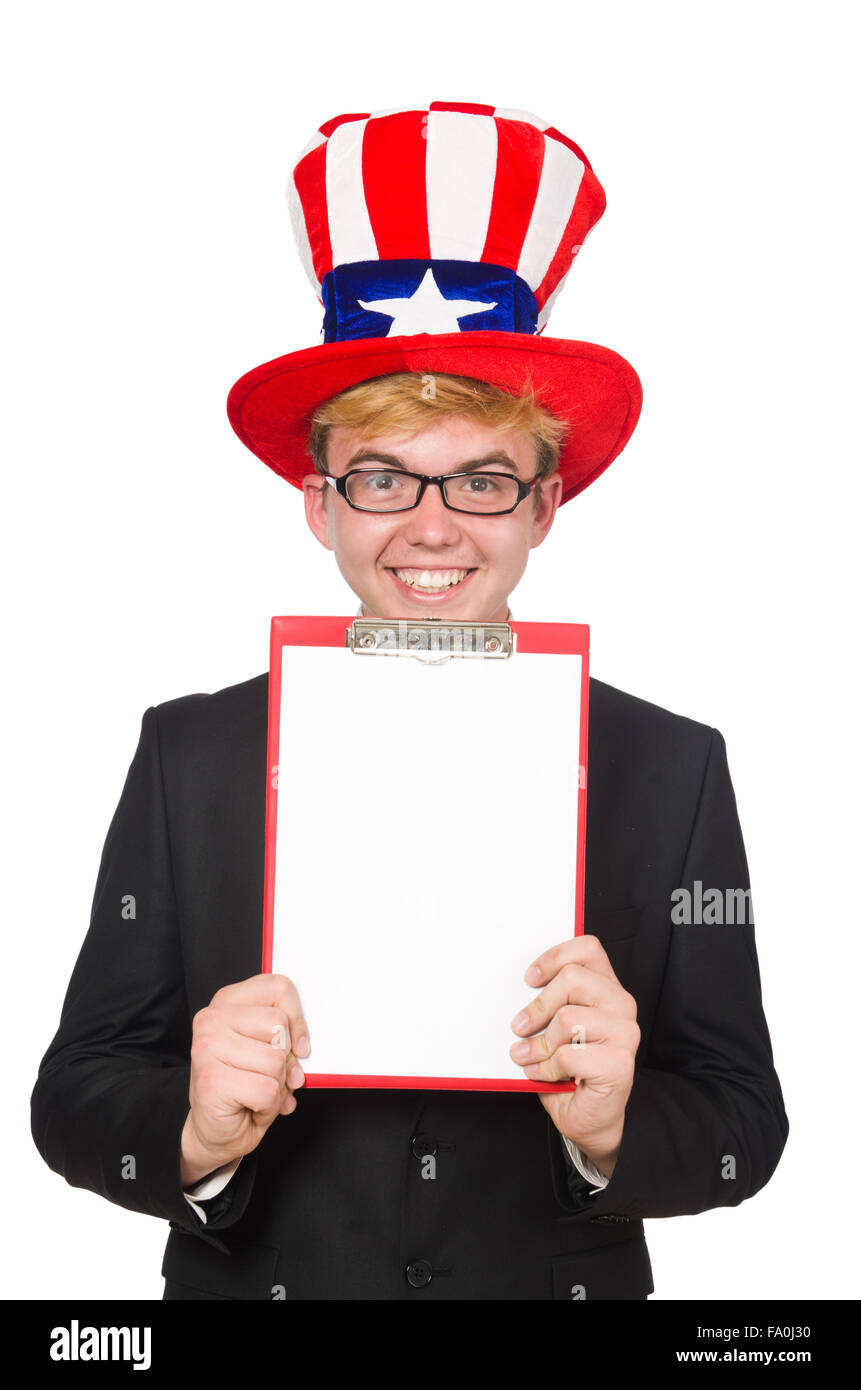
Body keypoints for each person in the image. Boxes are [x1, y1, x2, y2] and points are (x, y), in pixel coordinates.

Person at [31, 102, 788, 1300]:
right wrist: (191, 1134)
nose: (430, 527)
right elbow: (74, 1093)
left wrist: (612, 1130)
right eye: (383, 475)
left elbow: (747, 1120)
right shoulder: (191, 754)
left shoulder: (672, 765)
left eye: (482, 479)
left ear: (546, 507)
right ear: (319, 501)